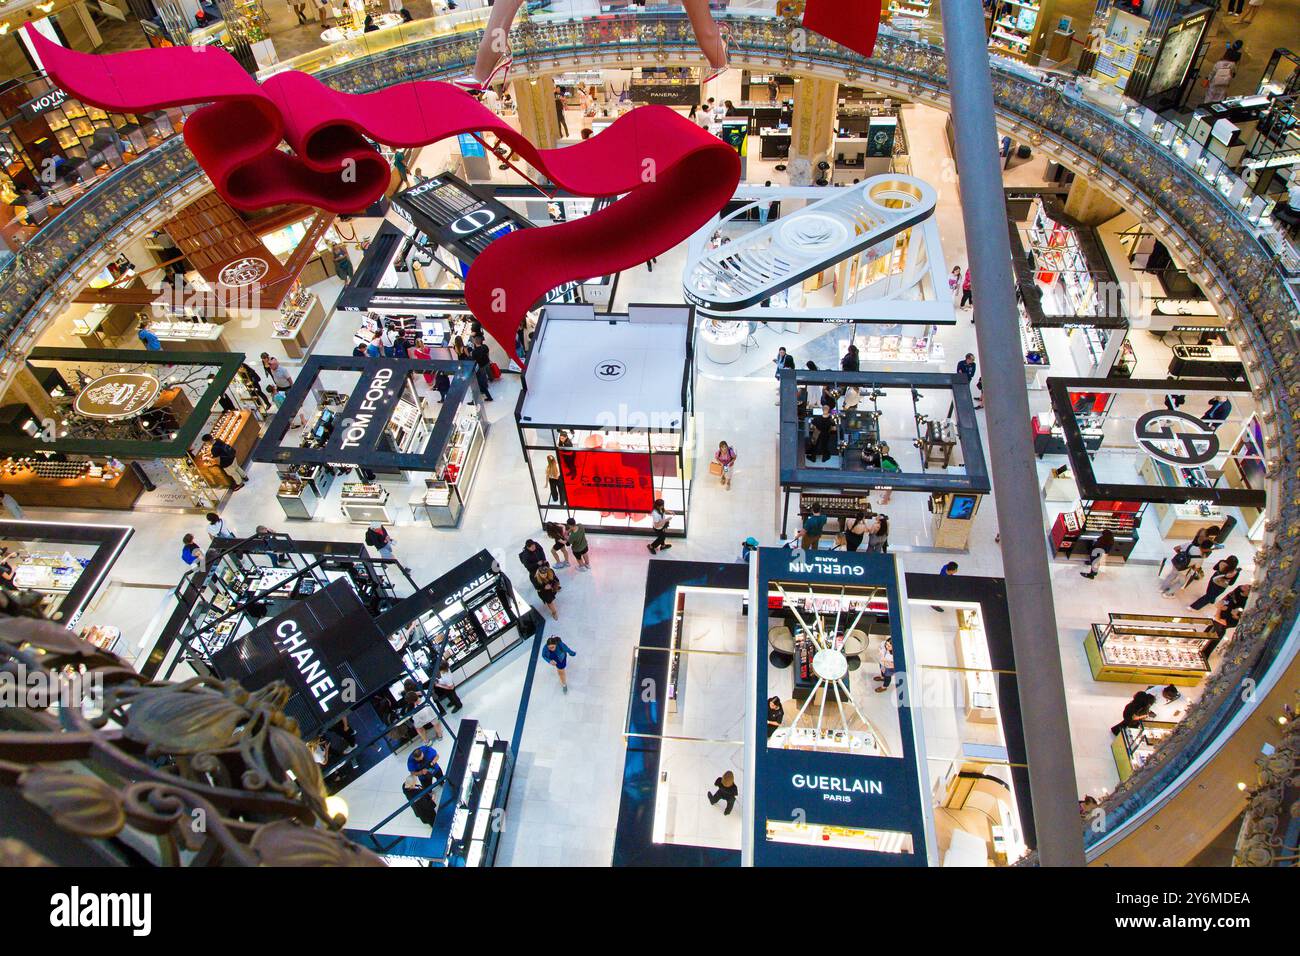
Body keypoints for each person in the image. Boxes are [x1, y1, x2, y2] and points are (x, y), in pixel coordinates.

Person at [470, 333, 494, 401]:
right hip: (487, 362)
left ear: (475, 342)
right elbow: (487, 352)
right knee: (489, 371)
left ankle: (485, 386)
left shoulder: (474, 352)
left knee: (483, 377)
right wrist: (488, 358)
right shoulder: (484, 346)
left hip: (481, 366)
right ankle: (491, 378)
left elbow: (474, 360)